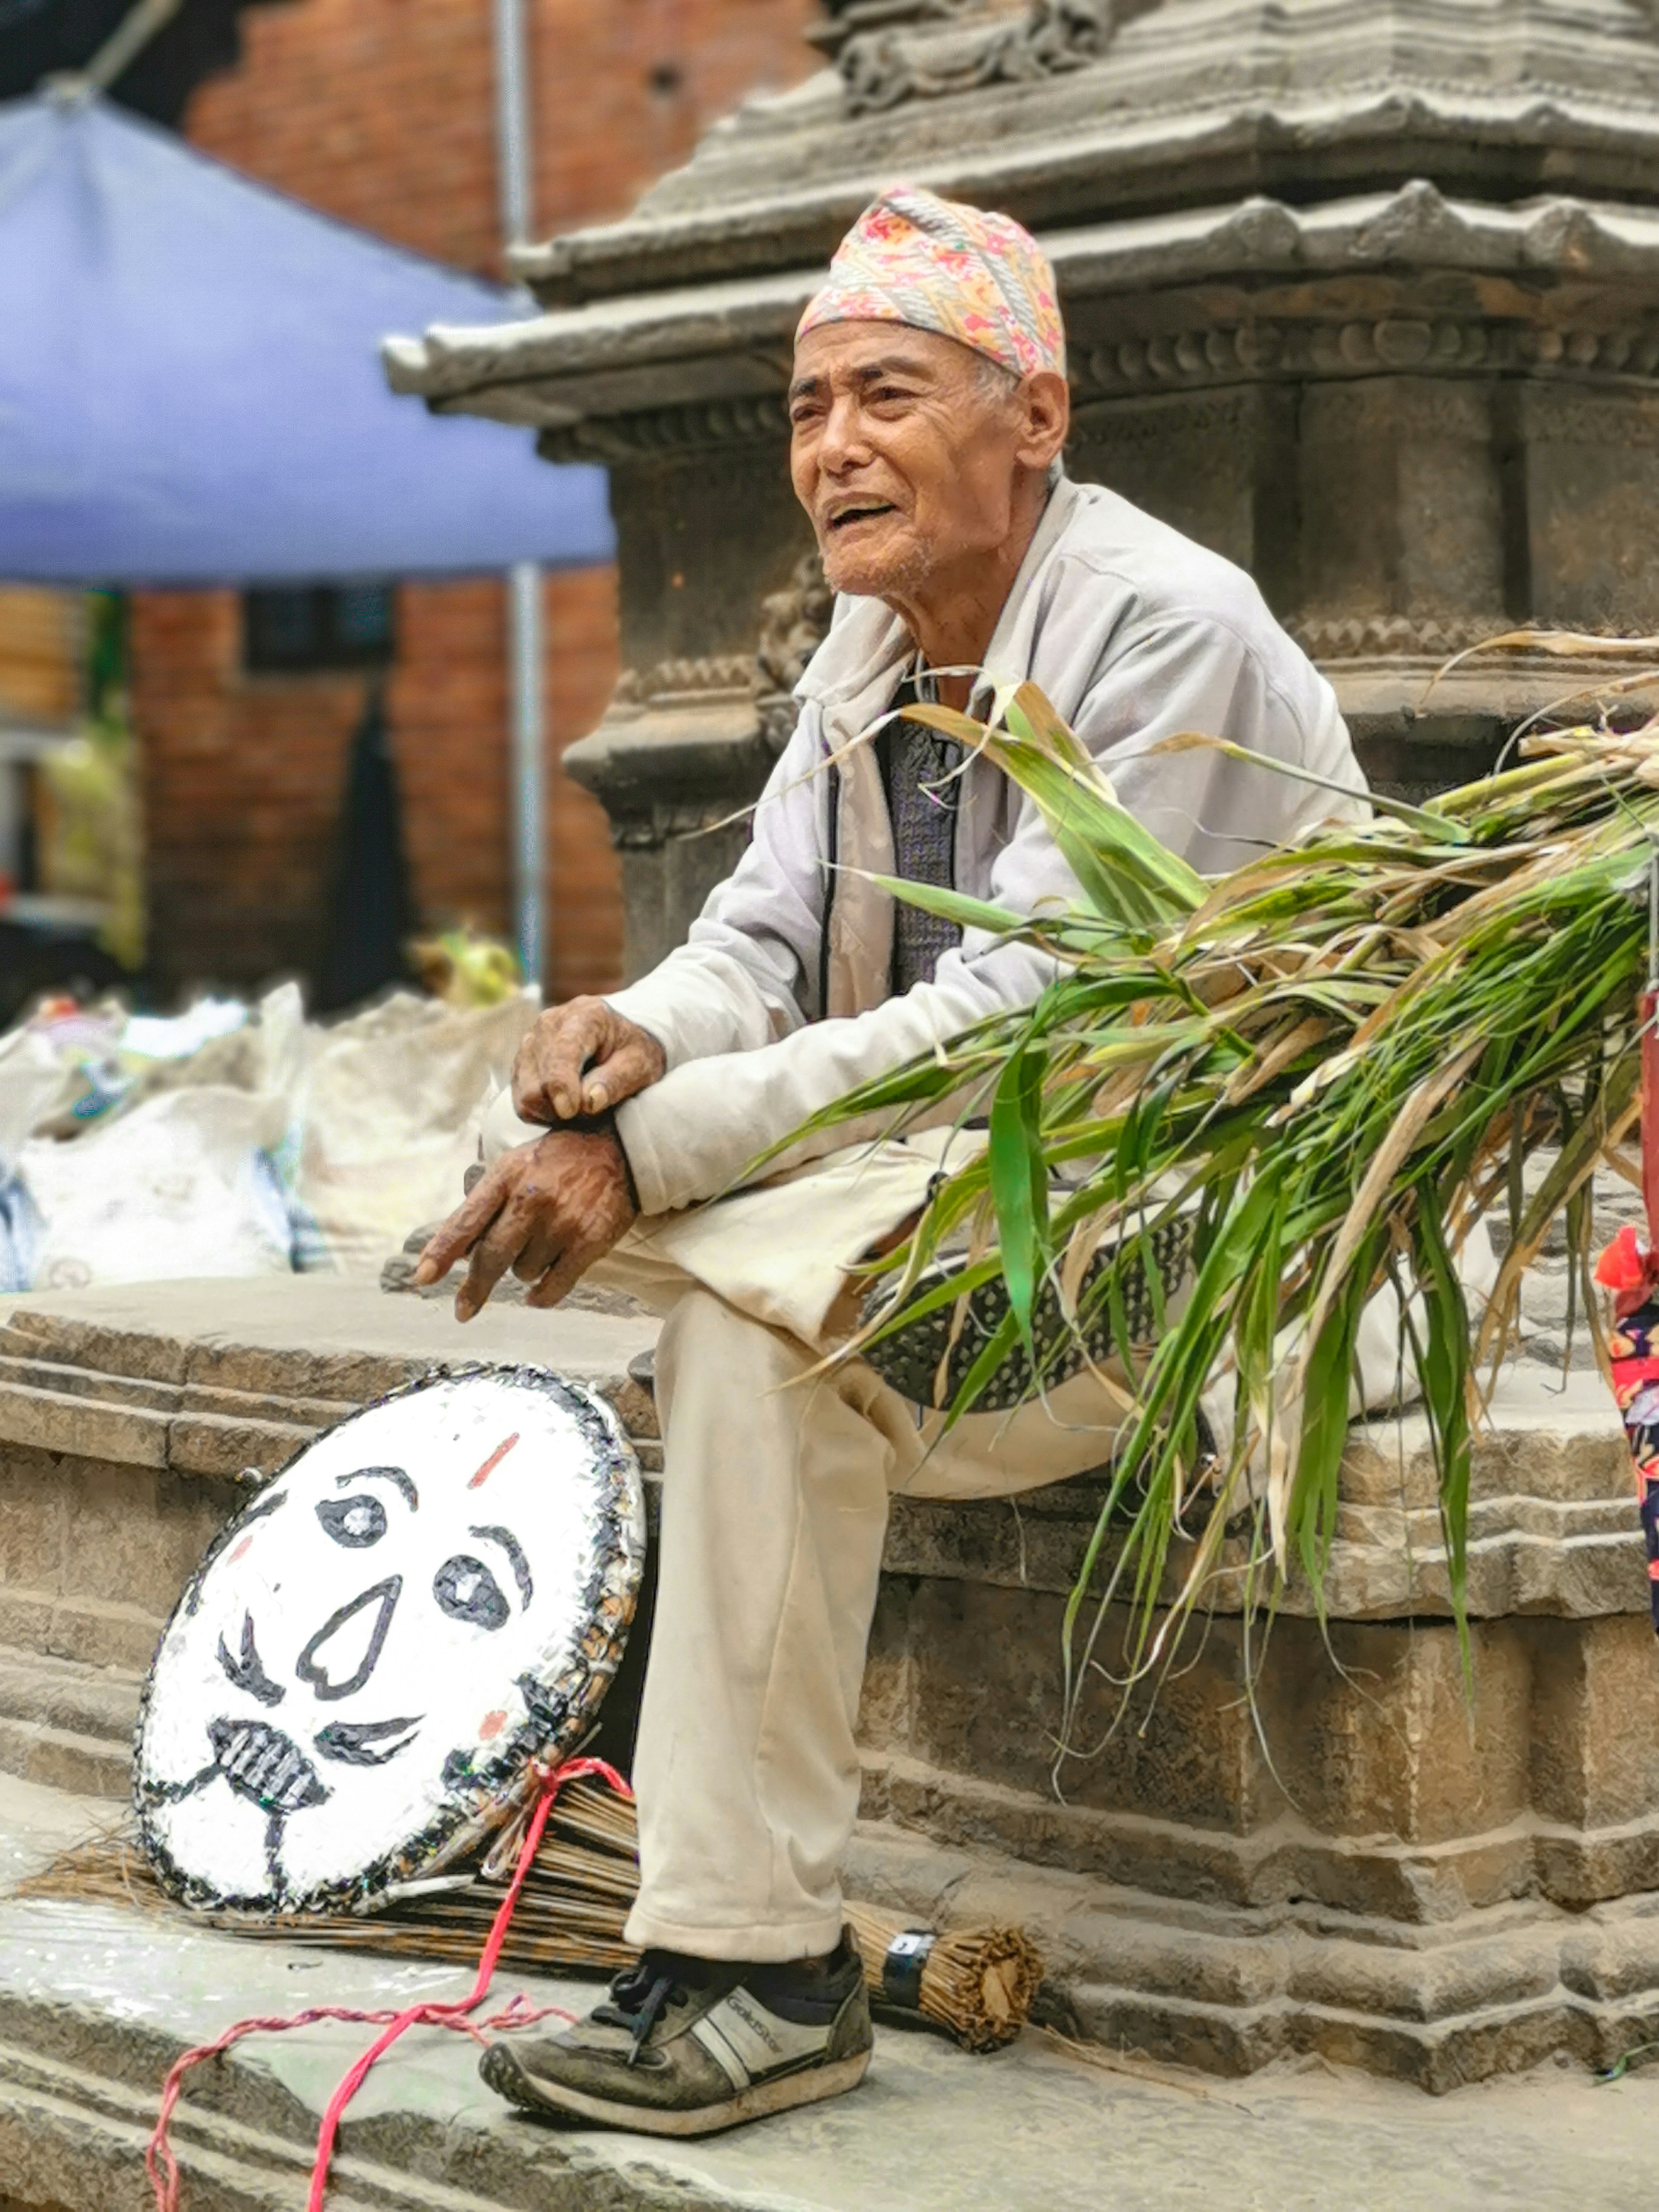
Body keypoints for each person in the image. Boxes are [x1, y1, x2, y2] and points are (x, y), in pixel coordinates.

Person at [417, 185, 1366, 2137]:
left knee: (734, 1291)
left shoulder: (1162, 629)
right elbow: (763, 932)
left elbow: (1026, 1021)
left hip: (1182, 1265)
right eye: (805, 408)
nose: (831, 446)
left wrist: (653, 1158)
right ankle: (748, 1966)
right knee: (742, 1326)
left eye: (886, 394)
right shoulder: (868, 640)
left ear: (1037, 414)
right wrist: (642, 1041)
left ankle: (751, 1969)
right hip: (950, 1232)